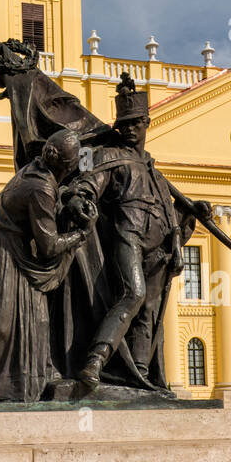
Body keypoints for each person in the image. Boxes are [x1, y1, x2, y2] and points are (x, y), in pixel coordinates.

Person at [64, 74, 209, 391]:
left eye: (135, 123)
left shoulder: (155, 173)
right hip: (127, 236)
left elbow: (169, 215)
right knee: (133, 293)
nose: (129, 129)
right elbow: (87, 186)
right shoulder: (110, 158)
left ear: (146, 123)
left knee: (148, 312)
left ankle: (139, 376)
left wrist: (191, 211)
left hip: (158, 249)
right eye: (123, 124)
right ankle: (94, 361)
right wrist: (79, 200)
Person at [0, 131, 90, 403]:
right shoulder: (40, 188)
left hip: (7, 246)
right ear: (66, 165)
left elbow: (55, 195)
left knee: (38, 319)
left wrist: (70, 198)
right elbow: (48, 246)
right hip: (4, 252)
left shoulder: (34, 168)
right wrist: (80, 235)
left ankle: (29, 381)